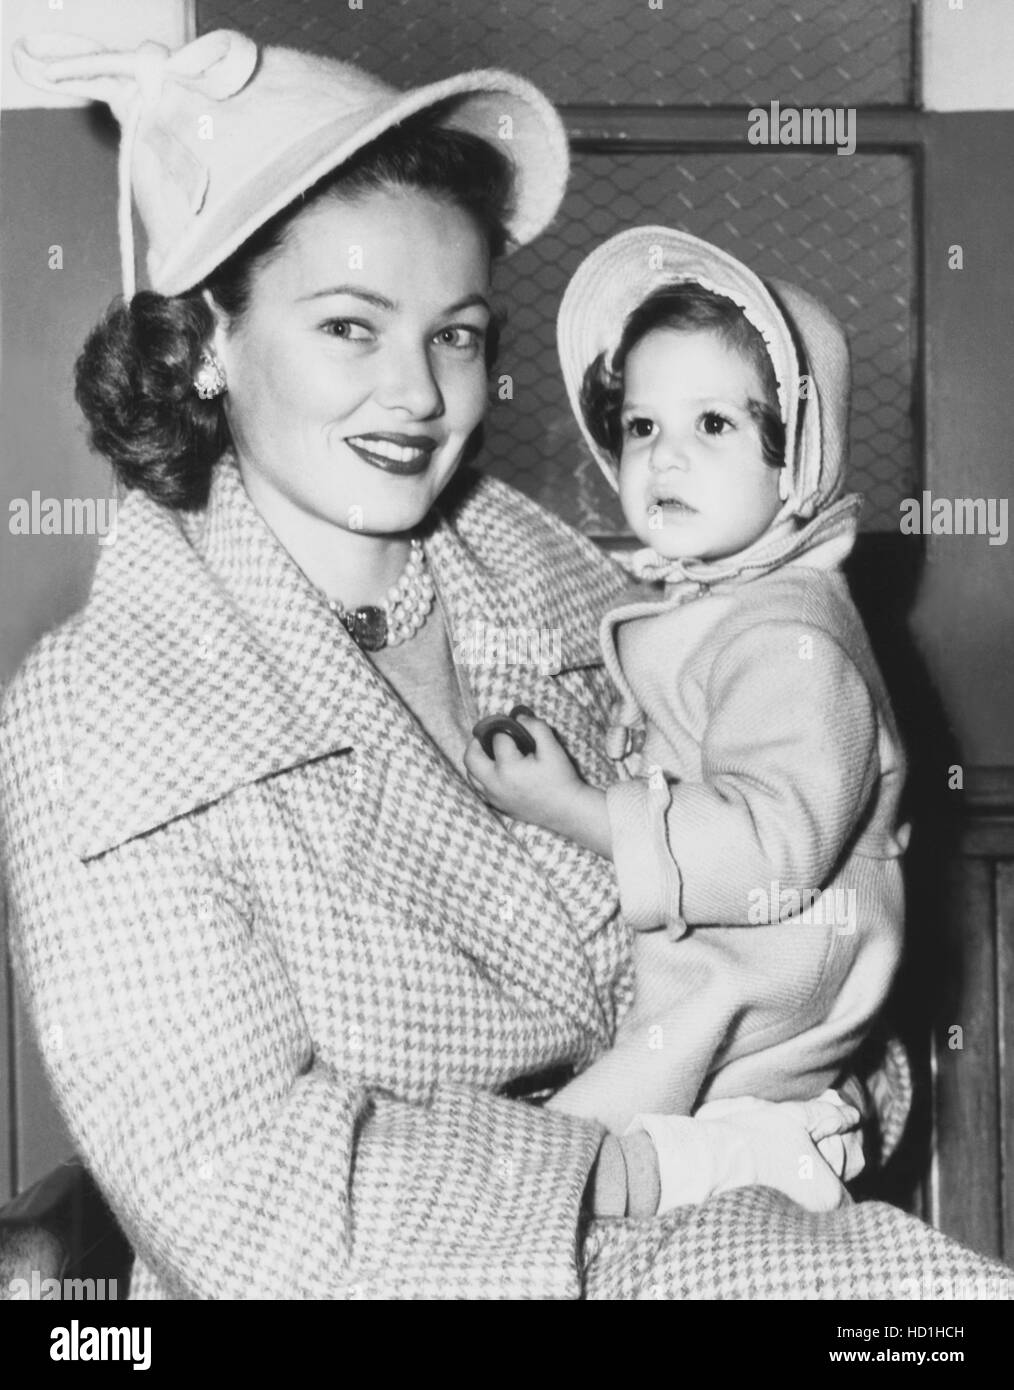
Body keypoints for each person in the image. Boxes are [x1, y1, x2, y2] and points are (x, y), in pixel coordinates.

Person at [1, 28, 1008, 1299]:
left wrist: (823, 1069)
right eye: (351, 328)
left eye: (459, 334)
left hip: (720, 1223)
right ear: (208, 339)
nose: (418, 395)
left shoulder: (576, 591)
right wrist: (648, 1169)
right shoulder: (101, 719)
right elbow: (254, 1209)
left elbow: (805, 959)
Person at [464, 230, 907, 1202]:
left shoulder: (791, 638)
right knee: (560, 1163)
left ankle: (790, 1150)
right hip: (721, 1044)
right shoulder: (725, 603)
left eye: (713, 425)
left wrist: (578, 808)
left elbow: (772, 844)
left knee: (558, 1184)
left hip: (755, 1068)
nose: (665, 456)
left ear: (796, 464)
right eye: (640, 426)